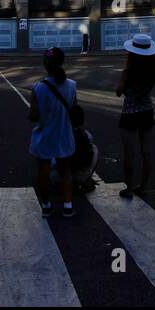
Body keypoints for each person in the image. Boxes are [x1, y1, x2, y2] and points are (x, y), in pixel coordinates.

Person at [26, 46, 77, 218]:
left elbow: (33, 116)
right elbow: (73, 109)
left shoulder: (38, 87)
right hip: (64, 135)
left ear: (45, 64)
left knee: (43, 172)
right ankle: (68, 205)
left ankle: (46, 205)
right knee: (65, 171)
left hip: (44, 136)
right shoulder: (71, 85)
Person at [116, 32, 155, 197]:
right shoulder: (154, 72)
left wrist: (125, 87)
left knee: (129, 154)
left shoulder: (127, 72)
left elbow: (119, 92)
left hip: (129, 114)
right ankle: (144, 186)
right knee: (146, 152)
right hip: (147, 113)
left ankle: (128, 188)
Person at [52, 102, 99, 195]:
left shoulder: (59, 134)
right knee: (94, 148)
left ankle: (60, 186)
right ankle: (83, 182)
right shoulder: (86, 135)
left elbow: (52, 163)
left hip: (59, 176)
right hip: (80, 176)